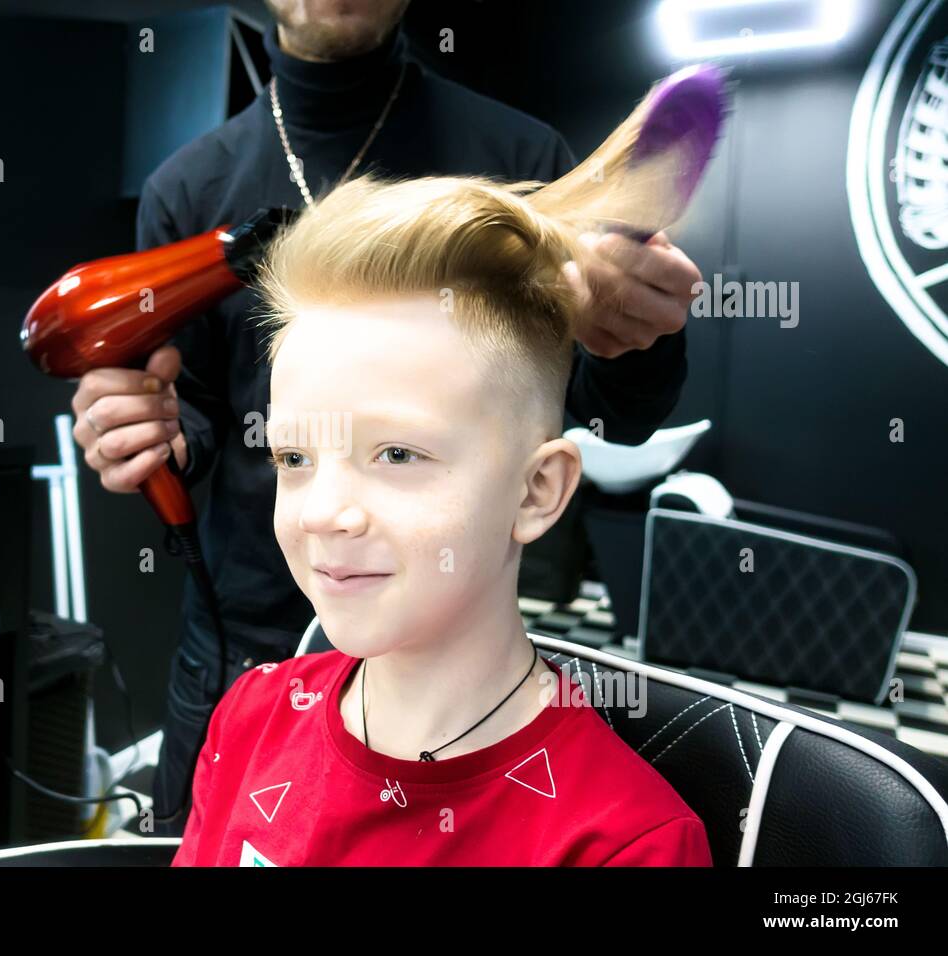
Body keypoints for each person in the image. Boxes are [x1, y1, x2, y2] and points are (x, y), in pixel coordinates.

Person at [70, 0, 702, 836]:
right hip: (239, 638)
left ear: (537, 490)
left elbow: (588, 403)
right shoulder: (189, 191)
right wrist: (155, 434)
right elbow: (205, 415)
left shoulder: (519, 162)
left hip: (445, 641)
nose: (330, 506)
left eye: (400, 452)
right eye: (296, 459)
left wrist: (635, 339)